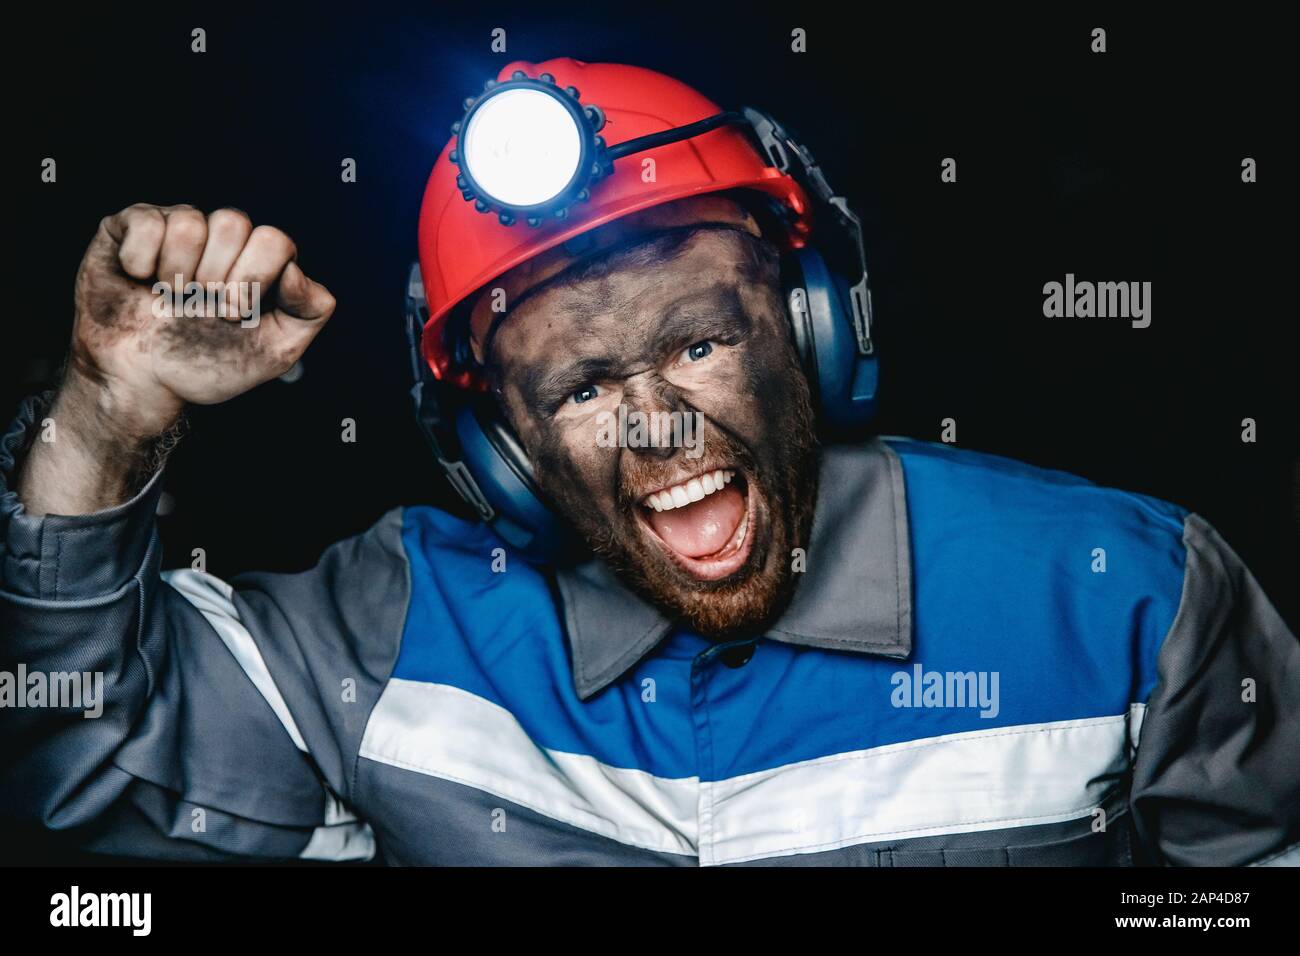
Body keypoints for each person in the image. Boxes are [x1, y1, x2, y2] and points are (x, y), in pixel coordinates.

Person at [2, 59, 1297, 867]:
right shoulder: (389, 632)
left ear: (810, 335)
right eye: (578, 385)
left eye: (696, 342)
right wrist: (107, 413)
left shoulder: (1123, 598)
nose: (655, 428)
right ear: (500, 456)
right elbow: (78, 774)